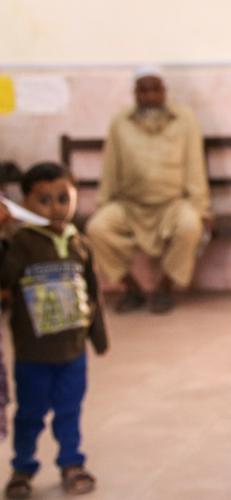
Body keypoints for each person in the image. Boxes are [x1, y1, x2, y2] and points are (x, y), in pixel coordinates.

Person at [1, 163, 108, 498]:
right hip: (33, 353)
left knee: (69, 409)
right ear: (26, 202)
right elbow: (4, 282)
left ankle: (71, 462)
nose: (56, 207)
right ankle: (22, 467)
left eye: (64, 198)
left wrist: (98, 336)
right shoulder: (21, 244)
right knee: (30, 413)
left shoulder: (80, 244)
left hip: (73, 351)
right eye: (44, 200)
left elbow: (92, 292)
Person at [86, 66, 210, 314]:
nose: (150, 96)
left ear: (164, 91)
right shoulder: (120, 123)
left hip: (172, 204)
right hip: (129, 205)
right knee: (97, 228)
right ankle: (130, 288)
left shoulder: (185, 120)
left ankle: (165, 288)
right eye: (143, 90)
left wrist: (202, 209)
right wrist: (103, 203)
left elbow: (195, 167)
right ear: (135, 93)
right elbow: (110, 167)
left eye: (155, 89)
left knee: (190, 226)